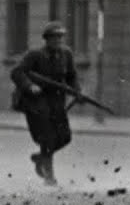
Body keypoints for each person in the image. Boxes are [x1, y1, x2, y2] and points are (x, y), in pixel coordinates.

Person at [10, 21, 80, 186]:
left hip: (56, 102)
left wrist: (77, 91)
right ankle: (49, 177)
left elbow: (72, 76)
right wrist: (30, 86)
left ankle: (40, 157)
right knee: (47, 139)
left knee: (65, 137)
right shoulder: (35, 55)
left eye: (60, 38)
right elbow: (17, 72)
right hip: (37, 103)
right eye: (54, 38)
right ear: (46, 40)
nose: (58, 41)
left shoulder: (66, 55)